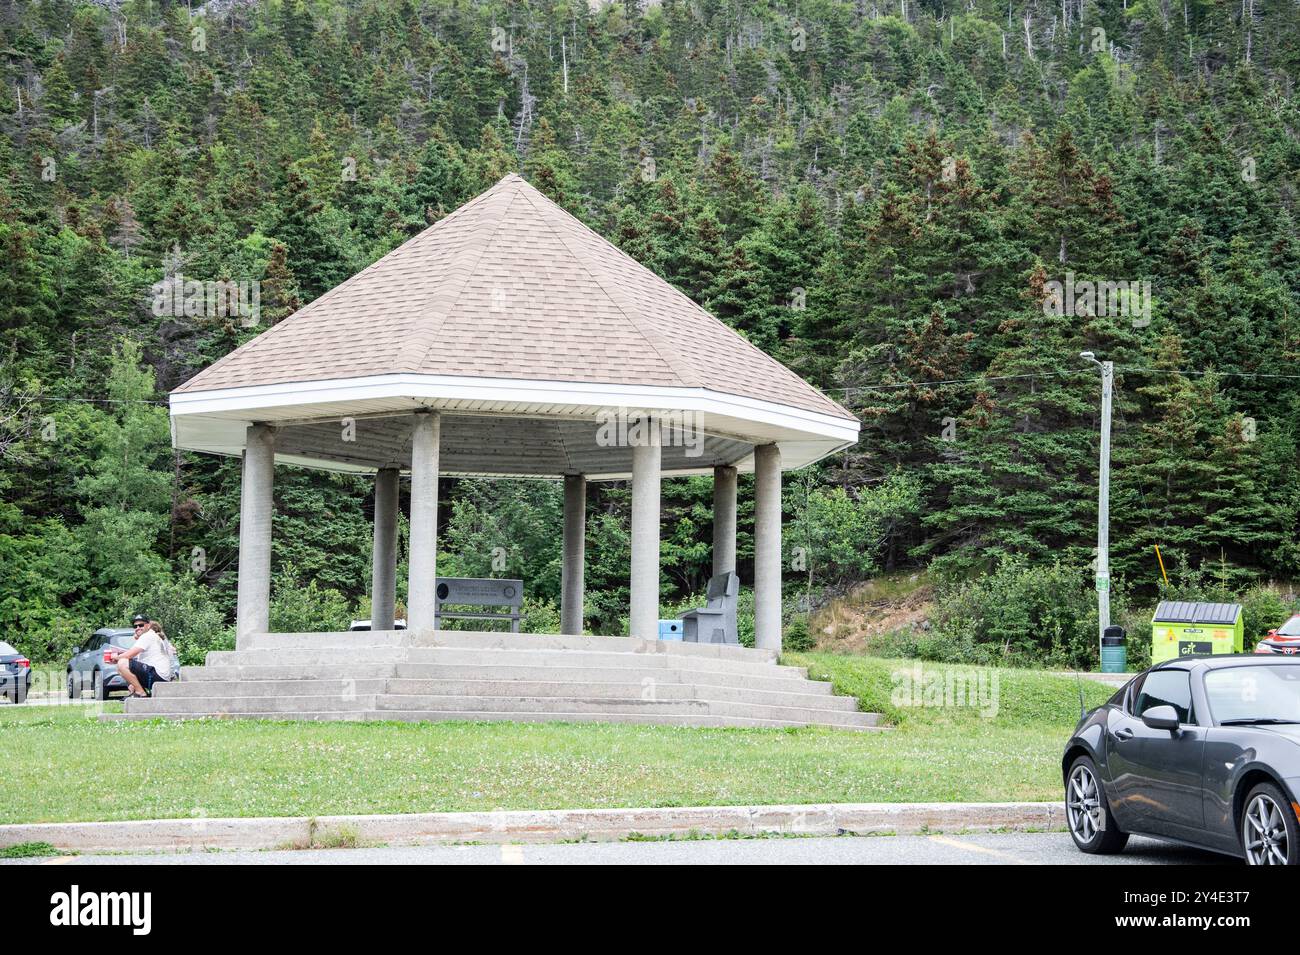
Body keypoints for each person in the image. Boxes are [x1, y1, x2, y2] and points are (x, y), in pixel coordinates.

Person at [110, 614, 175, 698]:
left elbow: (129, 655)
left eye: (141, 625)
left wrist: (116, 657)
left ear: (148, 625)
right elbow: (133, 656)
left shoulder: (147, 636)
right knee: (121, 667)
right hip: (160, 676)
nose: (138, 628)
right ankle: (136, 692)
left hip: (158, 676)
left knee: (122, 663)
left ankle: (141, 692)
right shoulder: (152, 635)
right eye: (135, 626)